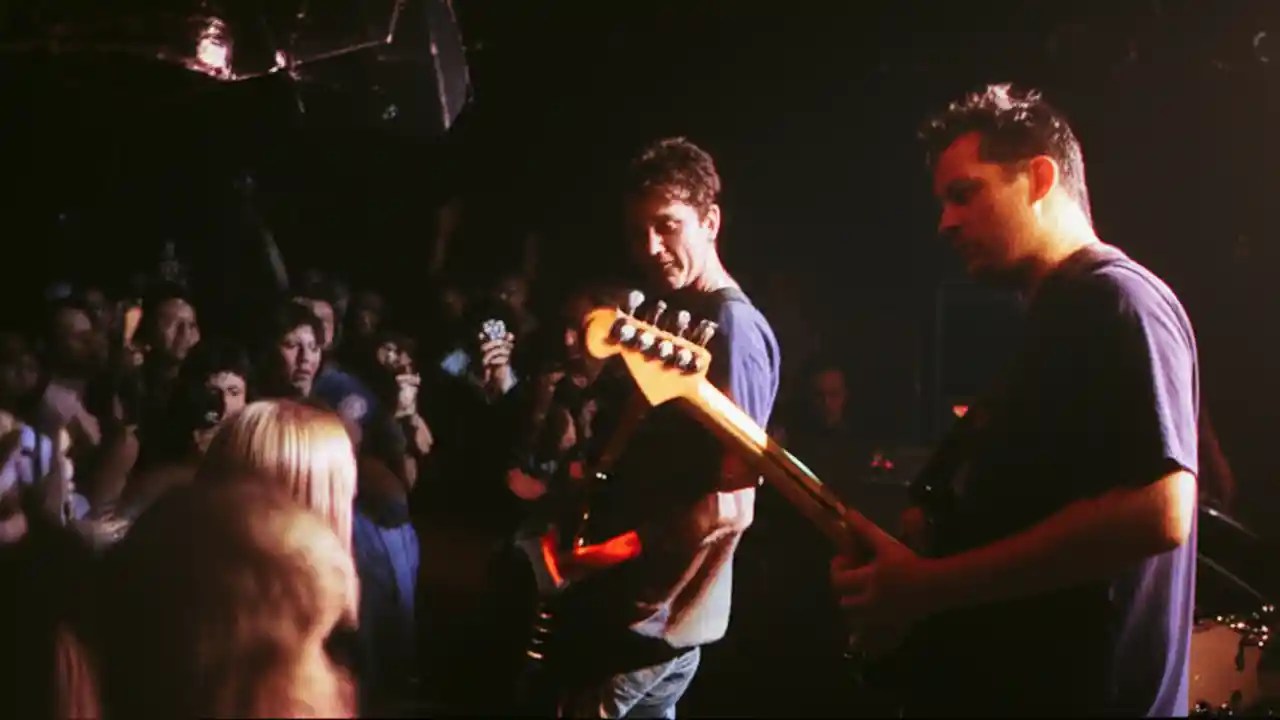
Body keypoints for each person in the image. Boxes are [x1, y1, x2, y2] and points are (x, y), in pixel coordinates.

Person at [829, 83, 1199, 717]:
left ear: (1039, 178)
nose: (945, 222)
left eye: (964, 193)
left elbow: (1160, 511)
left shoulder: (1116, 301)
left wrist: (930, 587)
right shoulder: (1057, 318)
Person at [545, 137, 780, 719]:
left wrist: (618, 566)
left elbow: (732, 503)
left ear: (710, 221)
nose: (650, 247)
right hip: (635, 614)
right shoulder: (678, 311)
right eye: (637, 233)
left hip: (647, 628)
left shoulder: (732, 327)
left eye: (667, 225)